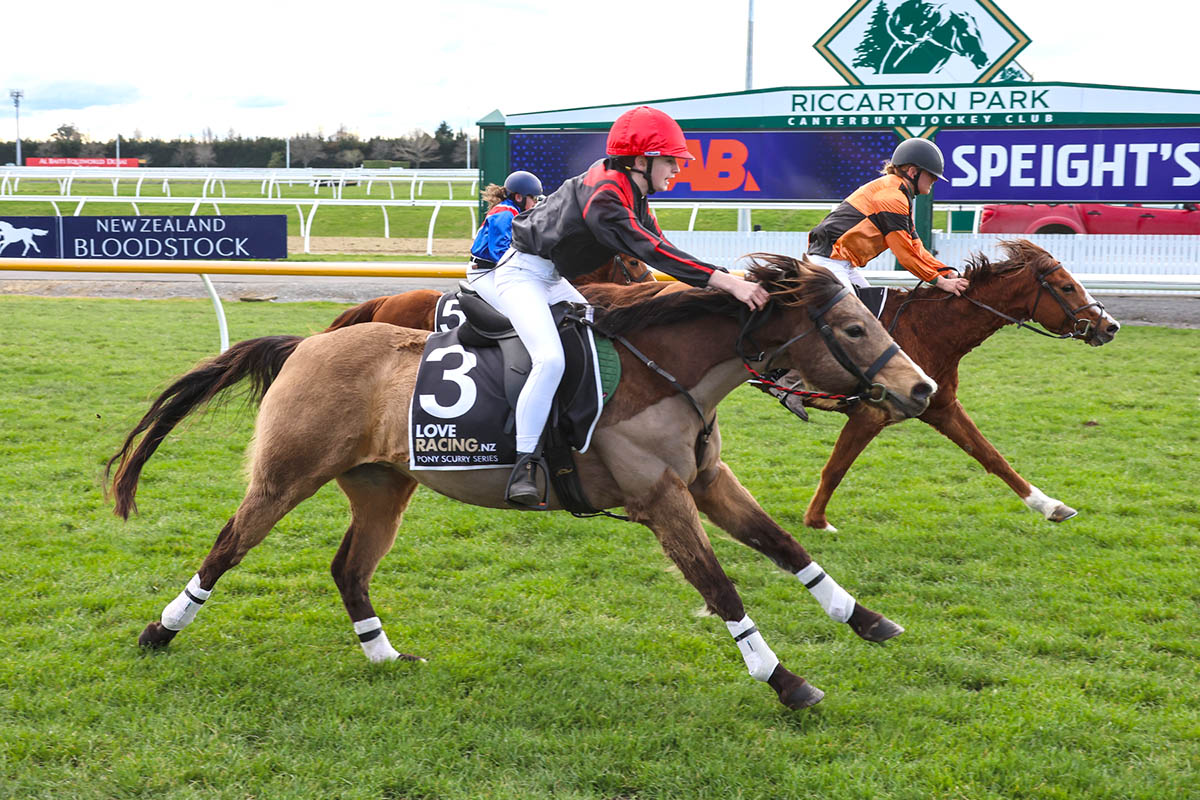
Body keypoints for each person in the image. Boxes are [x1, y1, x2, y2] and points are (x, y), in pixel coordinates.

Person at [470, 105, 769, 507]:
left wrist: (725, 281)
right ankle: (525, 463)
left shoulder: (628, 186)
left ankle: (585, 435)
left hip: (551, 278)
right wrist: (725, 281)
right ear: (642, 160)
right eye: (672, 161)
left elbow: (664, 245)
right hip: (519, 276)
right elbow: (653, 251)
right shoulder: (607, 197)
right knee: (551, 360)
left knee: (603, 337)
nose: (678, 170)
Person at [806, 137, 969, 296]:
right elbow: (905, 256)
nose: (934, 180)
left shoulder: (900, 194)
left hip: (841, 263)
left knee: (875, 318)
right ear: (913, 172)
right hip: (828, 262)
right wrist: (941, 283)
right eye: (931, 175)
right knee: (857, 320)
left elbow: (915, 247)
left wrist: (946, 272)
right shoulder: (892, 198)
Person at [467, 170, 543, 276]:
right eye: (533, 198)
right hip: (484, 272)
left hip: (498, 268)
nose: (535, 202)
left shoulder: (515, 212)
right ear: (519, 197)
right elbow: (500, 251)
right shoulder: (505, 214)